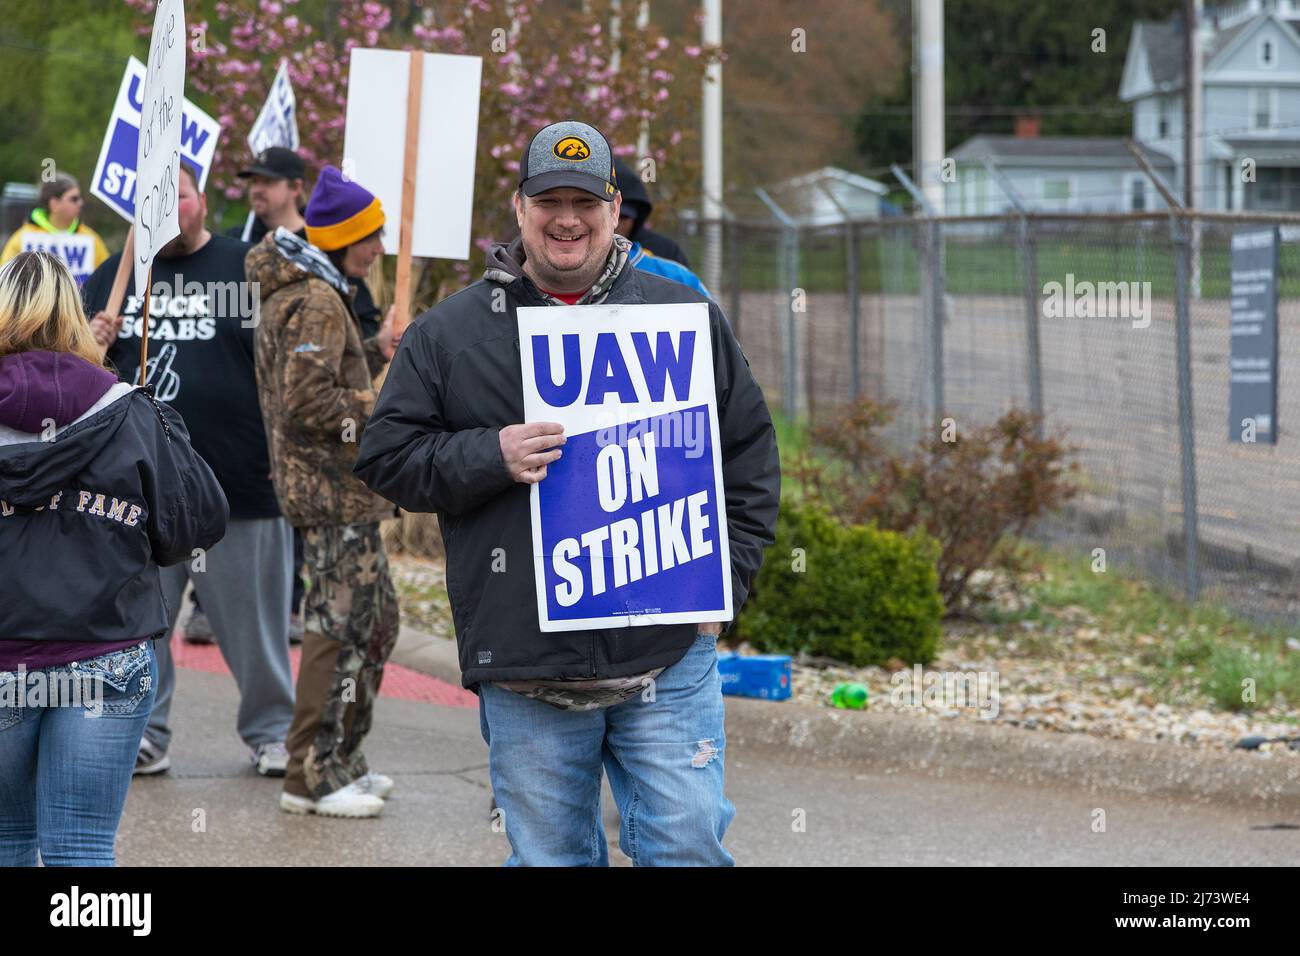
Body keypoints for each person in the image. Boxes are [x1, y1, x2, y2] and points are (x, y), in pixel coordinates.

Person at [354, 121, 780, 865]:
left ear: (615, 209)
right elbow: (386, 457)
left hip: (667, 657)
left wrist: (726, 581)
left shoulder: (678, 317)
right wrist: (489, 453)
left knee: (687, 846)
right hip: (529, 666)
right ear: (519, 209)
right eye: (548, 199)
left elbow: (745, 451)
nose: (567, 218)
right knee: (553, 859)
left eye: (584, 201)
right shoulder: (449, 334)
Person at [0, 251, 227, 865]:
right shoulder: (128, 409)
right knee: (81, 851)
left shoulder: (132, 407)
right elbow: (197, 525)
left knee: (6, 841)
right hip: (106, 654)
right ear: (76, 316)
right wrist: (161, 428)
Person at [81, 161, 296, 779]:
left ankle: (271, 732)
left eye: (179, 196)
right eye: (156, 201)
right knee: (141, 622)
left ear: (201, 199)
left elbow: (290, 363)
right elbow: (70, 371)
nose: (170, 210)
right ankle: (145, 732)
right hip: (139, 486)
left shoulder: (247, 266)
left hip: (240, 481)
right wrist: (94, 341)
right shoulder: (115, 278)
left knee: (256, 622)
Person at [247, 165, 402, 818]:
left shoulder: (323, 293)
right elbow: (307, 400)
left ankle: (341, 757)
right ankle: (309, 774)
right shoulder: (316, 296)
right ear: (343, 239)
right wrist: (384, 402)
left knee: (377, 624)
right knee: (337, 630)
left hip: (345, 494)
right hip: (330, 495)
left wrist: (373, 346)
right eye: (371, 236)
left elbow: (316, 371)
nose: (379, 248)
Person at [1, 173, 109, 286]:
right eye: (74, 199)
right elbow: (5, 280)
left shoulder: (91, 238)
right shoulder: (23, 238)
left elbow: (107, 278)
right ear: (54, 204)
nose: (80, 203)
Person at [613, 157, 692, 268]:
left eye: (623, 216)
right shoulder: (581, 252)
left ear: (636, 217)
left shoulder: (665, 253)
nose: (615, 222)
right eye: (609, 214)